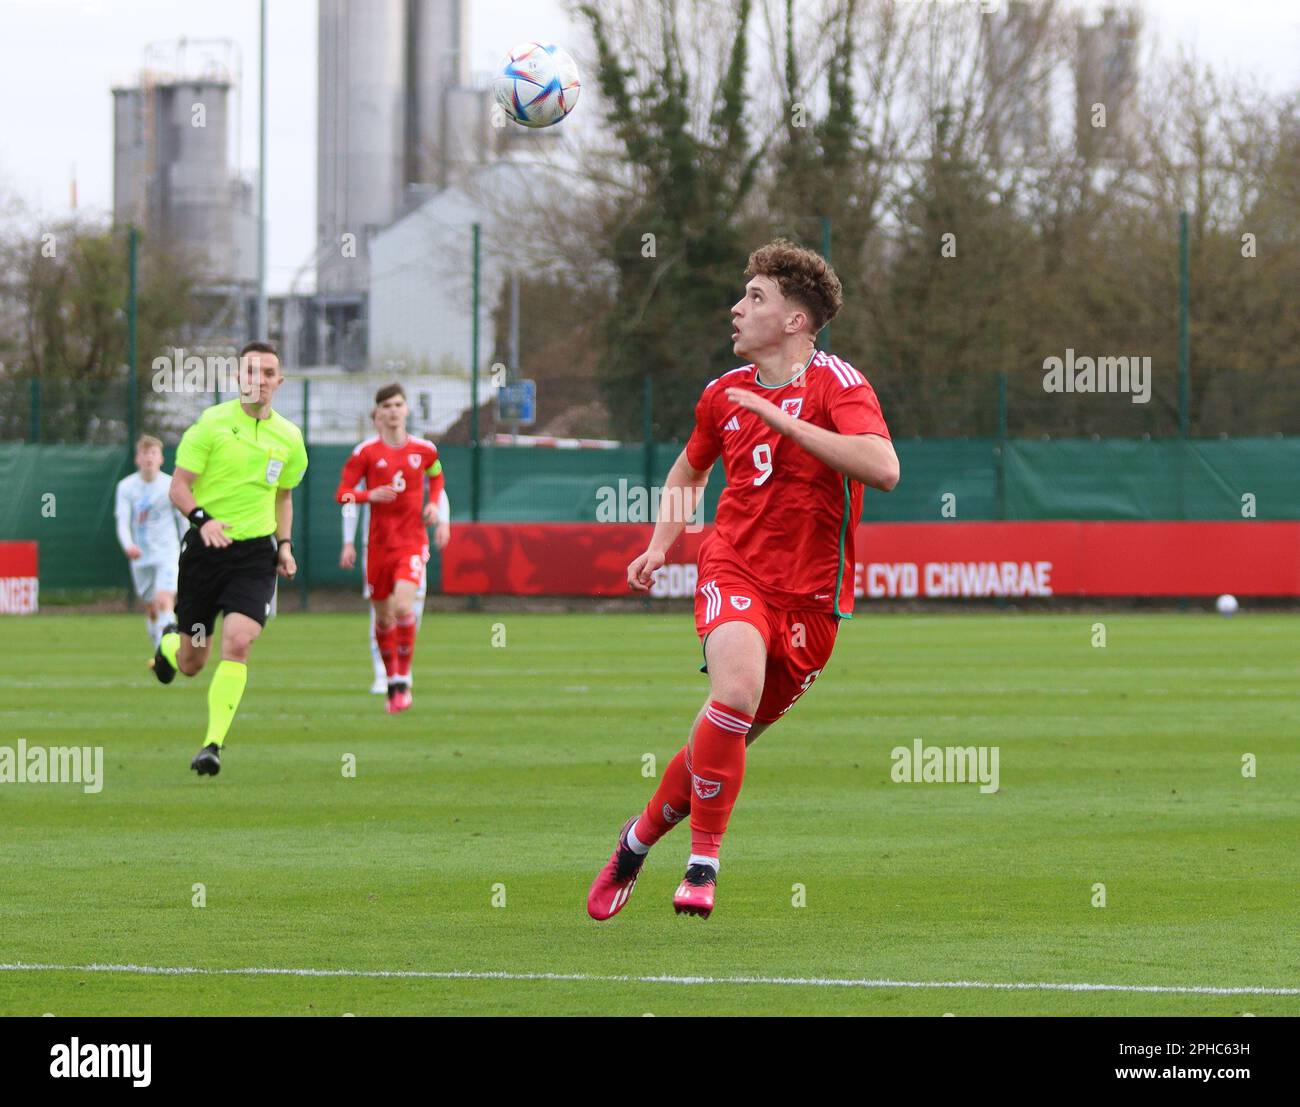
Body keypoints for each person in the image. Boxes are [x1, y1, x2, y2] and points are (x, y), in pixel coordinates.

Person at [587, 240, 900, 920]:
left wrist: (786, 420)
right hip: (735, 567)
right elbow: (689, 471)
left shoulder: (840, 384)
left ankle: (635, 841)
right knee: (732, 690)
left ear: (795, 320)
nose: (737, 307)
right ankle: (704, 864)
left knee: (719, 734)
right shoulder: (721, 395)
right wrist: (659, 543)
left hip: (815, 604)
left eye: (755, 297)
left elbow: (882, 467)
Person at [149, 341, 308, 777]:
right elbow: (178, 488)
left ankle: (212, 745)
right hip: (204, 554)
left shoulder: (289, 437)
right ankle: (168, 642)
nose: (259, 379)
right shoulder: (211, 425)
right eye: (251, 370)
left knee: (238, 641)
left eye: (268, 372)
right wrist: (204, 521)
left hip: (255, 555)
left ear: (279, 381)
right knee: (191, 662)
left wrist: (286, 545)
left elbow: (283, 495)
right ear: (238, 377)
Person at [335, 384, 447, 713]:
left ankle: (403, 680)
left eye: (399, 404)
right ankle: (389, 678)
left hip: (411, 543)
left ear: (407, 410)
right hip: (377, 548)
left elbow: (437, 476)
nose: (394, 410)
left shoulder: (425, 450)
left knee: (403, 607)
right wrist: (369, 495)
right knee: (383, 619)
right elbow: (341, 493)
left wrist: (434, 506)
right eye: (387, 405)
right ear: (378, 413)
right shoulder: (365, 453)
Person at [115, 435, 187, 647]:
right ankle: (159, 651)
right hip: (141, 556)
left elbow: (182, 520)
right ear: (137, 459)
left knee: (165, 601)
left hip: (167, 553)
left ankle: (168, 654)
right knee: (152, 608)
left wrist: (186, 548)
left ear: (161, 459)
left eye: (153, 453)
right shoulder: (126, 487)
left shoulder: (170, 485)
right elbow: (122, 521)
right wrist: (129, 545)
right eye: (145, 453)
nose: (149, 457)